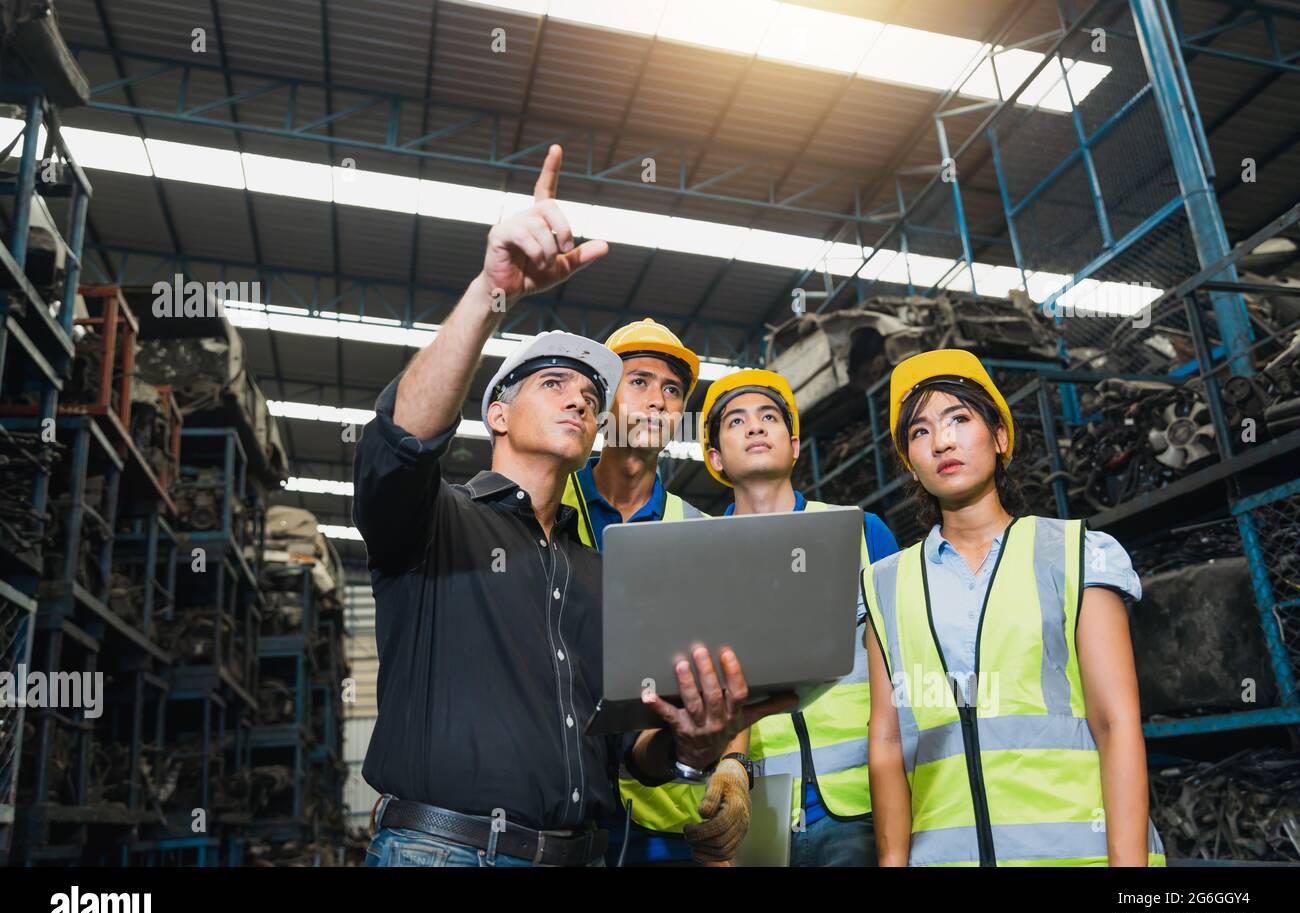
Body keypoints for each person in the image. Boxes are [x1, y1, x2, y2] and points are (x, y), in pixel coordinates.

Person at [354, 144, 792, 867]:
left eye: (590, 397)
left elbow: (628, 752)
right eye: (553, 383)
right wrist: (491, 293)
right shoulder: (435, 524)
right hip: (444, 853)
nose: (580, 398)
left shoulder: (597, 572)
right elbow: (402, 438)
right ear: (496, 414)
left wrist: (693, 746)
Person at [862, 348, 1166, 866]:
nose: (942, 441)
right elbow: (887, 743)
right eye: (919, 432)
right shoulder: (885, 584)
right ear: (909, 466)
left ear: (1000, 437)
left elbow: (1116, 723)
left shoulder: (1074, 554)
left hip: (1079, 854)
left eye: (960, 418)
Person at [557, 318, 746, 867]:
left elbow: (731, 664)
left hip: (669, 820)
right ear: (602, 397)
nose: (658, 401)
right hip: (562, 809)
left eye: (671, 390)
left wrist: (733, 767)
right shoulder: (546, 505)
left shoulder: (702, 532)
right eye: (638, 381)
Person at [696, 368, 899, 866]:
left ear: (793, 445)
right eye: (737, 420)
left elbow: (902, 668)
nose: (756, 427)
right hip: (755, 812)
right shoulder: (695, 555)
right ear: (716, 458)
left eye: (769, 417)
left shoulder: (860, 533)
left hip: (861, 805)